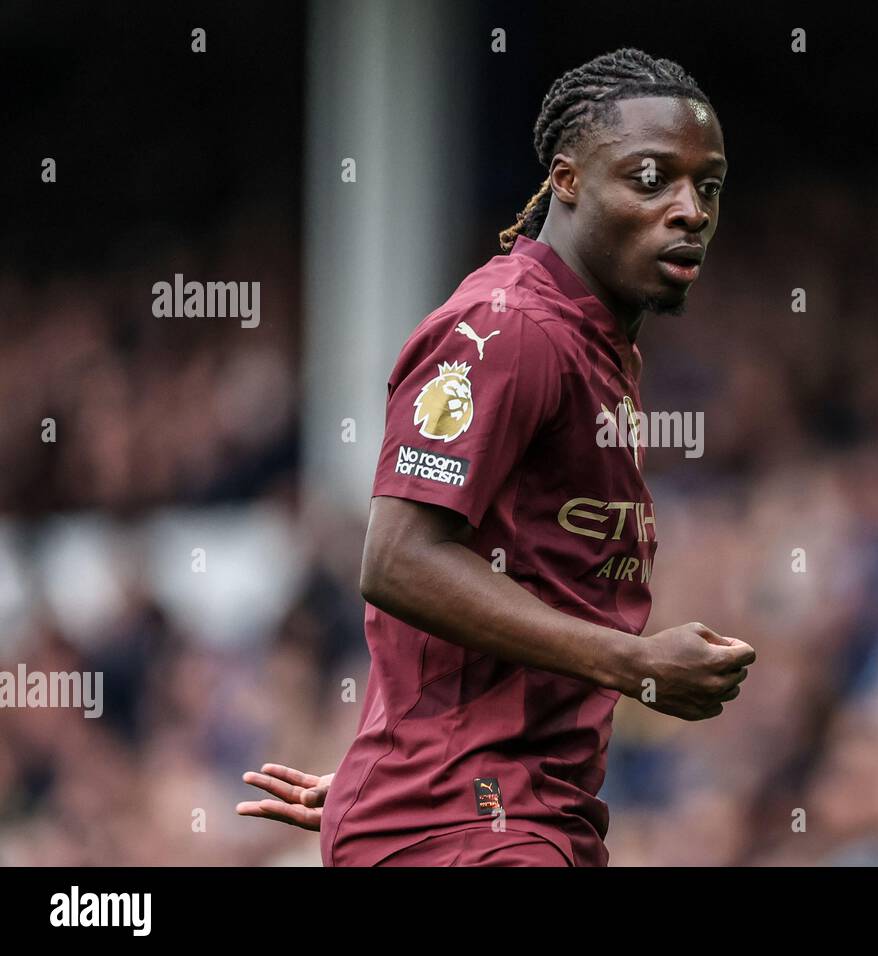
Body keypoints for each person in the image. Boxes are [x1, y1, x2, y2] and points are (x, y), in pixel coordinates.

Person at [238, 47, 753, 867]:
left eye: (709, 186)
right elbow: (398, 559)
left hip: (495, 809)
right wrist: (634, 661)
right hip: (476, 827)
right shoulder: (508, 331)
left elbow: (499, 591)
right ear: (569, 179)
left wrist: (402, 767)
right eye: (651, 179)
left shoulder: (595, 346)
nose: (689, 209)